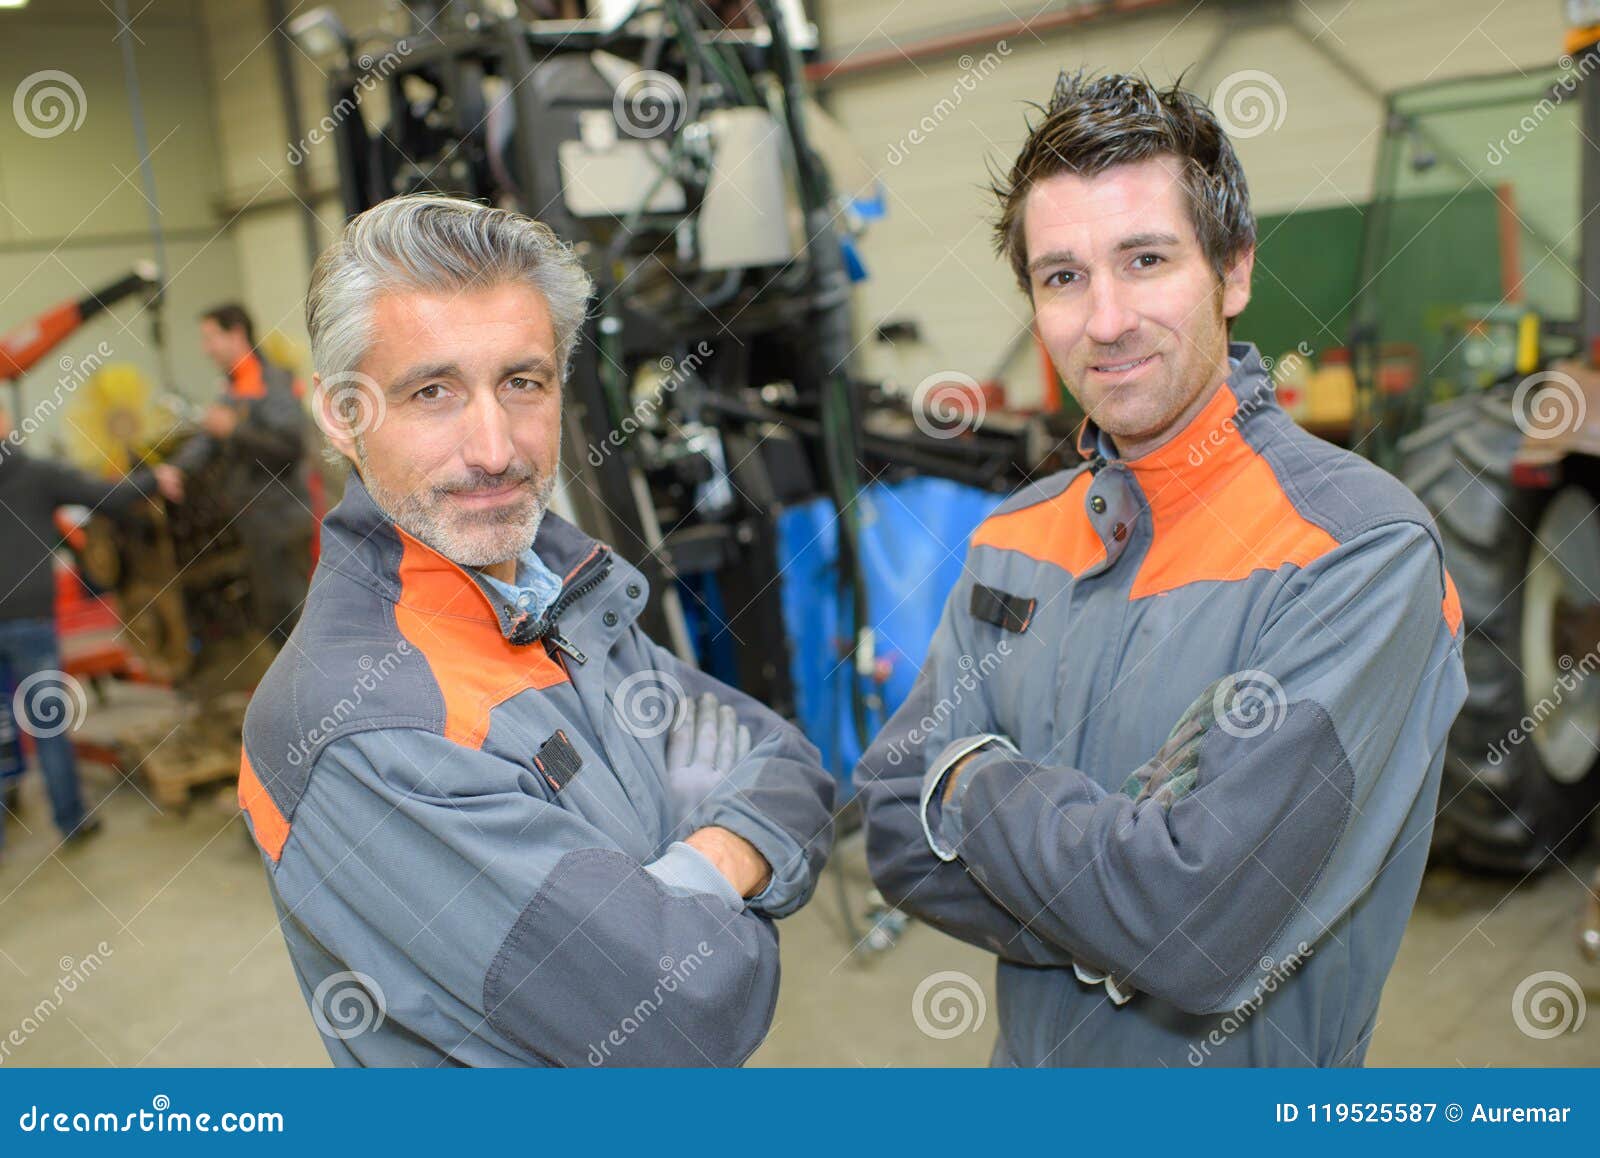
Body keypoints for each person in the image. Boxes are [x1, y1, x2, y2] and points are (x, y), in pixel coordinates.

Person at [858, 72, 1468, 1067]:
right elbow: (889, 818)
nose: (1104, 320)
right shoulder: (1011, 538)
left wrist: (969, 783)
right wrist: (1107, 913)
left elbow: (1192, 925)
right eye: (1062, 277)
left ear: (1230, 273)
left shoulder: (1357, 551)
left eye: (1144, 260)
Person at [237, 194, 835, 1066]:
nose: (495, 448)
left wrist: (688, 879)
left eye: (523, 382)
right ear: (339, 414)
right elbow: (678, 1021)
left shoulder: (564, 595)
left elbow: (791, 766)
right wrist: (727, 866)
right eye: (432, 391)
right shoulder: (362, 718)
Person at [0, 406, 159, 855]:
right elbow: (107, 497)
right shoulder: (33, 474)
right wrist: (155, 480)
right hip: (30, 619)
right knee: (45, 721)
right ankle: (71, 821)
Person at [154, 303, 311, 645]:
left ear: (237, 334)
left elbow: (289, 448)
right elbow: (209, 439)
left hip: (281, 523)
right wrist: (175, 470)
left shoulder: (273, 383)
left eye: (211, 338)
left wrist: (234, 431)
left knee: (293, 616)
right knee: (271, 618)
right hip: (253, 524)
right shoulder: (233, 388)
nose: (205, 348)